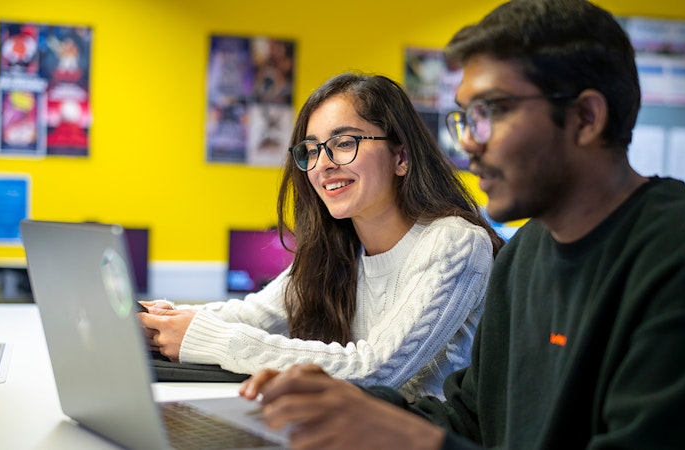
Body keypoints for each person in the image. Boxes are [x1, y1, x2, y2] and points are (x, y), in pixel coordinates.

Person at [238, 1, 685, 449]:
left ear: (586, 118)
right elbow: (471, 419)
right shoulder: (524, 254)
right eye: (465, 118)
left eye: (492, 112)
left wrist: (413, 440)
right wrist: (352, 410)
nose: (470, 143)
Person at [139, 73, 505, 399]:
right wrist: (162, 319)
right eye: (311, 150)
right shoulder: (338, 249)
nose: (323, 163)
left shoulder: (456, 243)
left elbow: (373, 370)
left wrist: (205, 338)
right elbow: (252, 315)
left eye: (344, 143)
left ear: (401, 157)